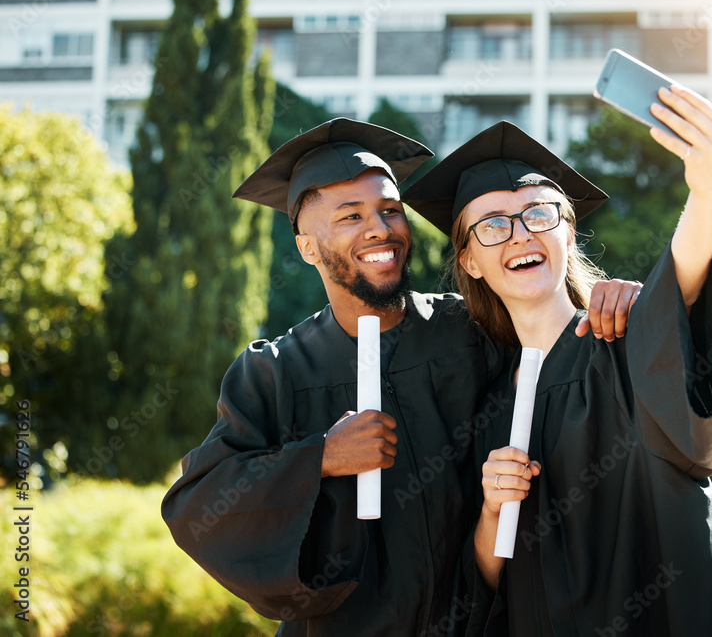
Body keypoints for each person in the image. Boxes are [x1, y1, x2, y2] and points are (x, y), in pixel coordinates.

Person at [160, 118, 640, 635]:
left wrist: (614, 303)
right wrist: (320, 457)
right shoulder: (275, 371)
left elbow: (556, 338)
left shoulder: (473, 330)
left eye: (390, 210)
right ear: (306, 248)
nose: (379, 228)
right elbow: (197, 507)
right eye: (350, 217)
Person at [404, 81, 712, 635]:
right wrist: (492, 509)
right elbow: (481, 582)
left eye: (539, 213)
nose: (519, 235)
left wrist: (706, 194)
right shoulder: (484, 403)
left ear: (567, 229)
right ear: (467, 259)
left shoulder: (624, 347)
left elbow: (680, 285)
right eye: (492, 225)